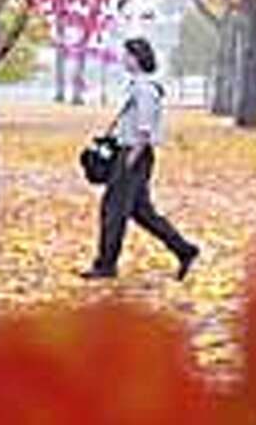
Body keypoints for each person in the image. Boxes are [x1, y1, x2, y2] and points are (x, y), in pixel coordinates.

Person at [80, 37, 200, 281]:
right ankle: (184, 250)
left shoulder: (145, 89)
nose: (123, 59)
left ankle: (105, 265)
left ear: (137, 57)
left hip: (135, 154)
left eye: (126, 55)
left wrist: (129, 161)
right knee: (142, 213)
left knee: (113, 211)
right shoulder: (138, 86)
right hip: (130, 153)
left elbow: (144, 131)